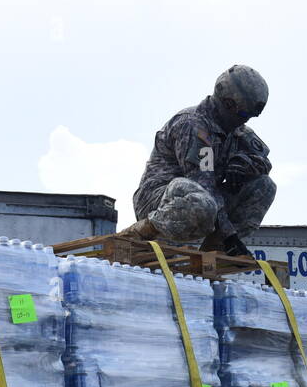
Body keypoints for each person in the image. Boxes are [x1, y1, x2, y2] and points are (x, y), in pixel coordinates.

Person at [115, 65, 276, 255]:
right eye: (242, 114)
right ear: (227, 102)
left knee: (264, 186)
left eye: (250, 117)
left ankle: (215, 248)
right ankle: (140, 232)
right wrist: (230, 235)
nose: (245, 121)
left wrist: (245, 164)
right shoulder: (192, 125)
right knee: (204, 202)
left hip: (204, 199)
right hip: (160, 199)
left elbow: (264, 160)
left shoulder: (238, 131)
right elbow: (203, 184)